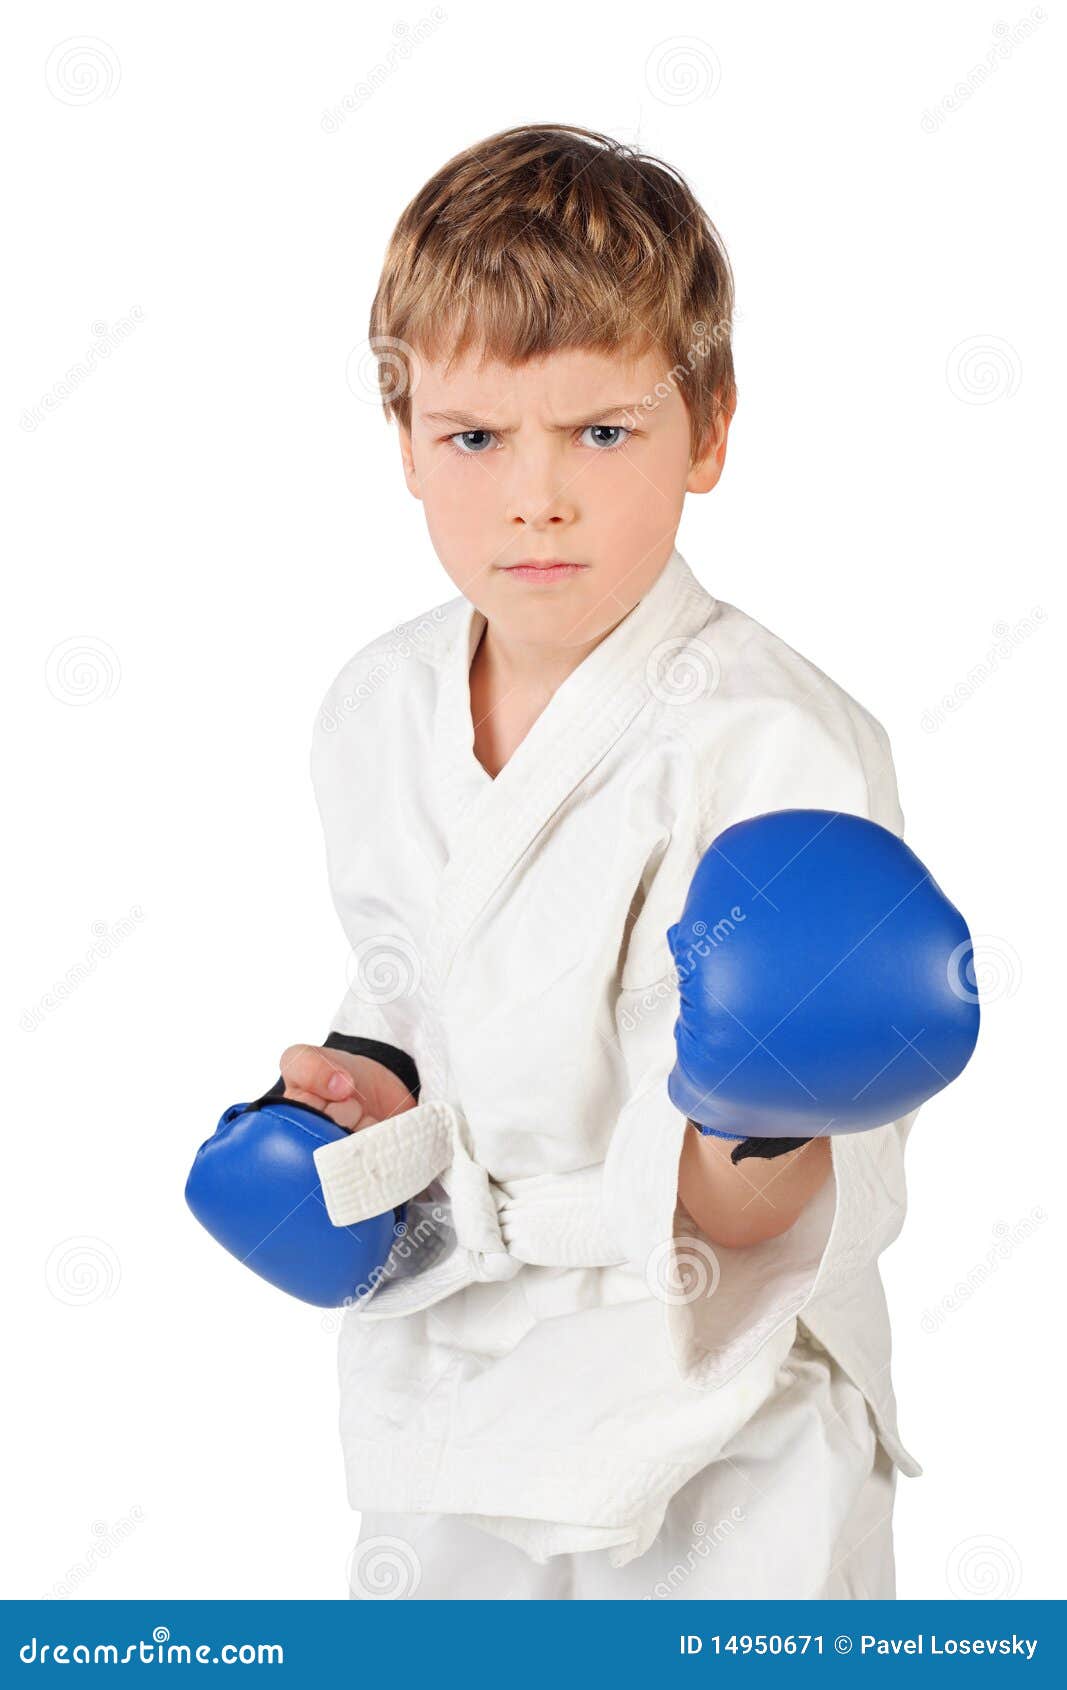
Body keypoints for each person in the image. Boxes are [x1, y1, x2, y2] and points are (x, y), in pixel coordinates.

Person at [276, 123, 926, 1600]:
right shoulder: (375, 709)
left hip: (721, 1405)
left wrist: (760, 1104)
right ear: (405, 440)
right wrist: (363, 1097)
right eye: (478, 436)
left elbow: (777, 1209)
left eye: (604, 431)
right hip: (453, 1390)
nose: (537, 496)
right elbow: (422, 986)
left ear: (709, 428)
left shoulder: (779, 745)